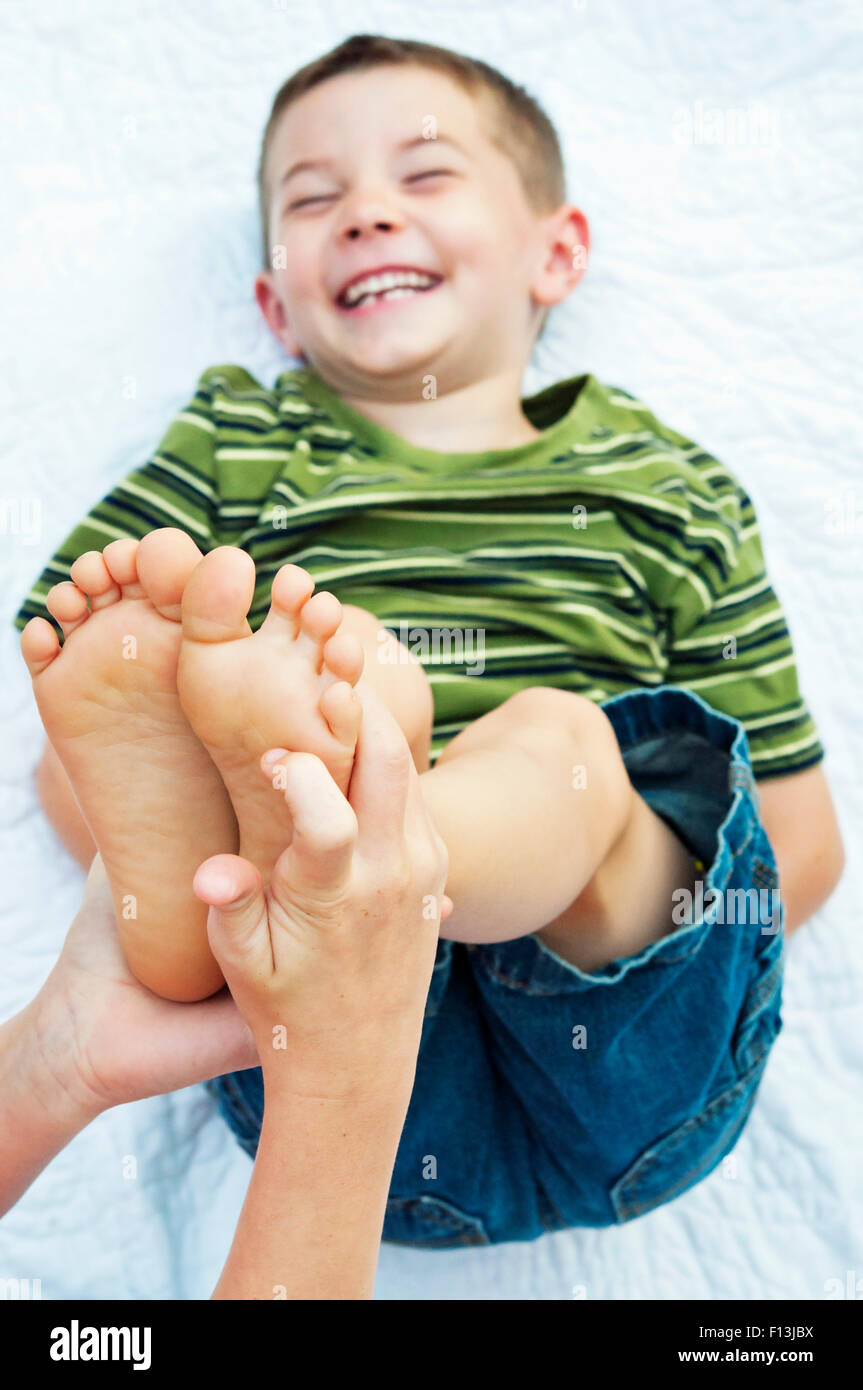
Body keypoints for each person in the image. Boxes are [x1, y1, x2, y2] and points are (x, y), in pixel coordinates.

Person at [14, 34, 845, 1246]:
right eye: (312, 200)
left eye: (423, 175)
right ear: (272, 303)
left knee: (565, 744)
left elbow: (800, 846)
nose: (361, 214)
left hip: (622, 1045)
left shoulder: (664, 484)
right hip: (325, 1063)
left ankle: (383, 844)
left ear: (554, 251)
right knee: (251, 707)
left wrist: (616, 872)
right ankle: (261, 874)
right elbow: (80, 706)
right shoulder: (240, 437)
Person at [0, 684, 452, 1299]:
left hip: (292, 1038)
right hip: (551, 1104)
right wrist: (345, 1072)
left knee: (395, 707)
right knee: (554, 733)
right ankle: (335, 864)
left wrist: (59, 1057)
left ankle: (226, 910)